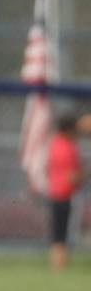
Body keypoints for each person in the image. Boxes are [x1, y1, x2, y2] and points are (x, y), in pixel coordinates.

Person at [45, 112, 86, 271]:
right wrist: (85, 173)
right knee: (60, 235)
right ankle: (59, 267)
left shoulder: (56, 142)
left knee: (58, 233)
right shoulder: (67, 148)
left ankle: (58, 266)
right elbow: (72, 177)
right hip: (62, 195)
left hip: (56, 193)